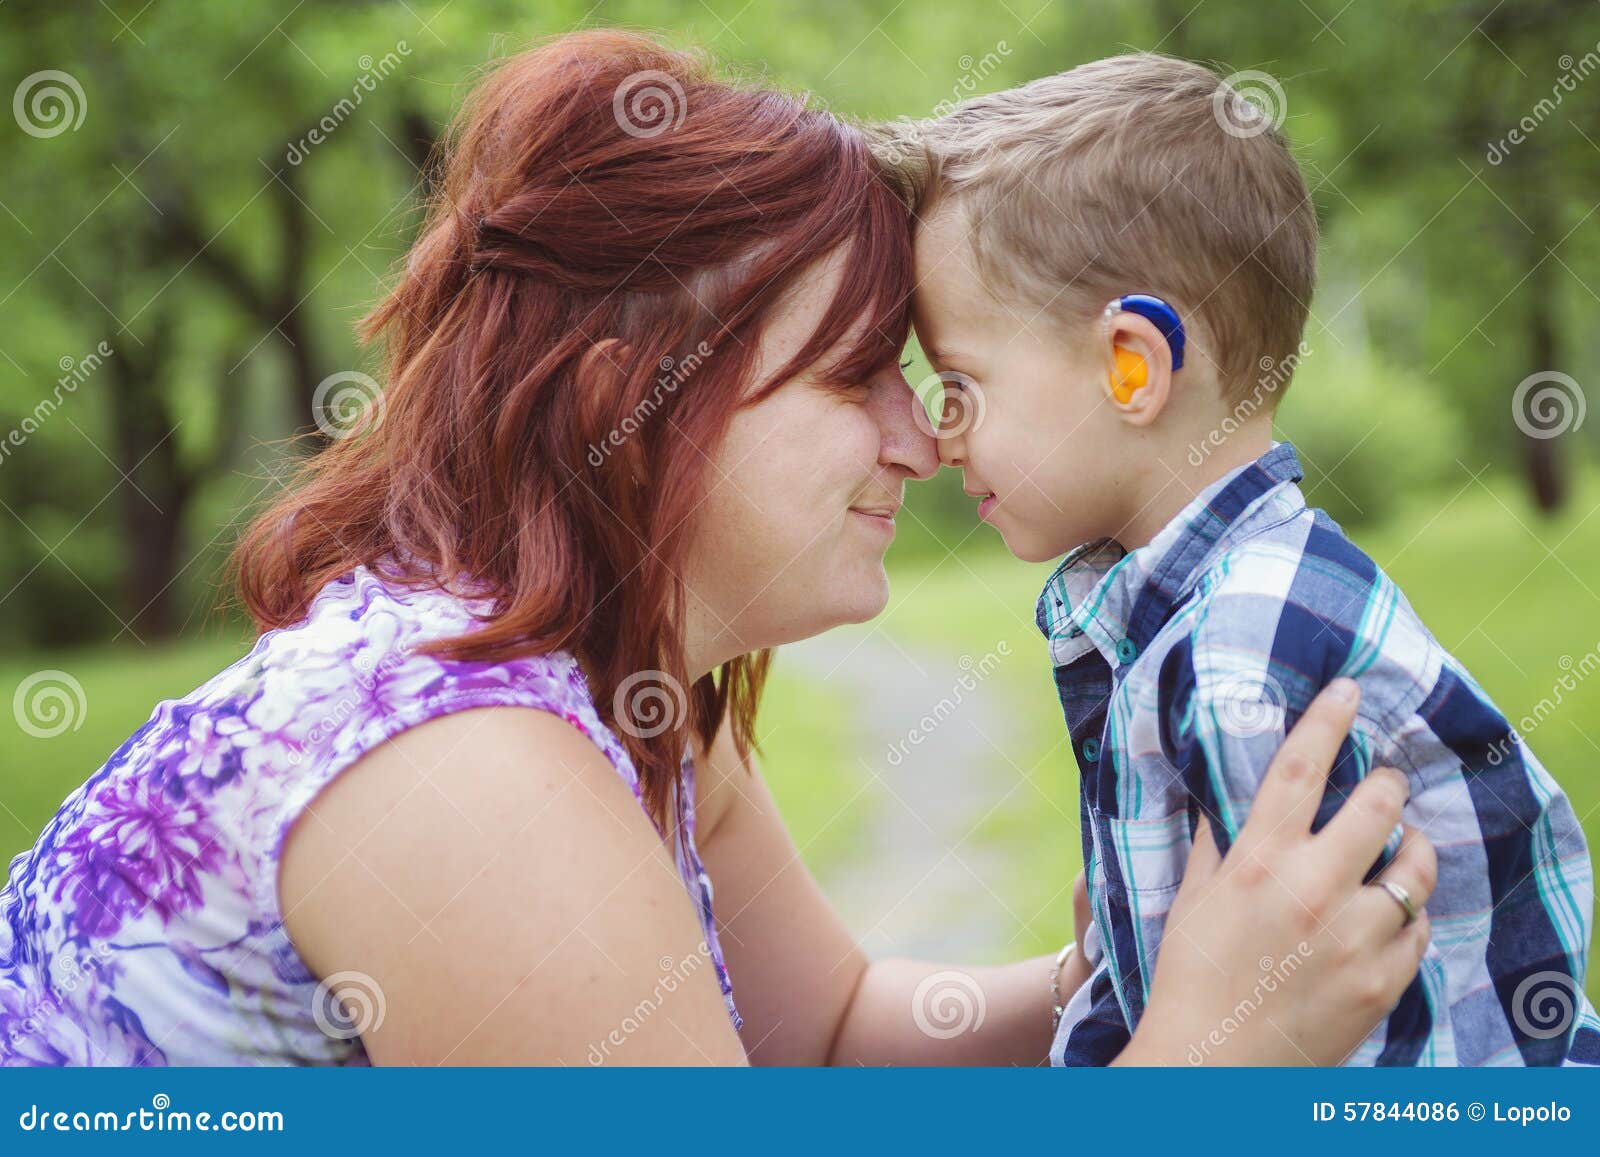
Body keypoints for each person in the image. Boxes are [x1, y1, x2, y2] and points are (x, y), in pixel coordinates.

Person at [0, 32, 1435, 1067]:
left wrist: (1118, 978)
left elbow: (823, 1040)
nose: (921, 440)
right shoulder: (466, 773)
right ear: (638, 404)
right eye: (858, 374)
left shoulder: (629, 682)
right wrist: (1207, 1061)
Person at [888, 52, 1600, 1065]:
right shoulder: (1214, 605)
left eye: (959, 383)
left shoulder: (1239, 652)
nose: (938, 433)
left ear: (1131, 365)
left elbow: (1316, 1028)